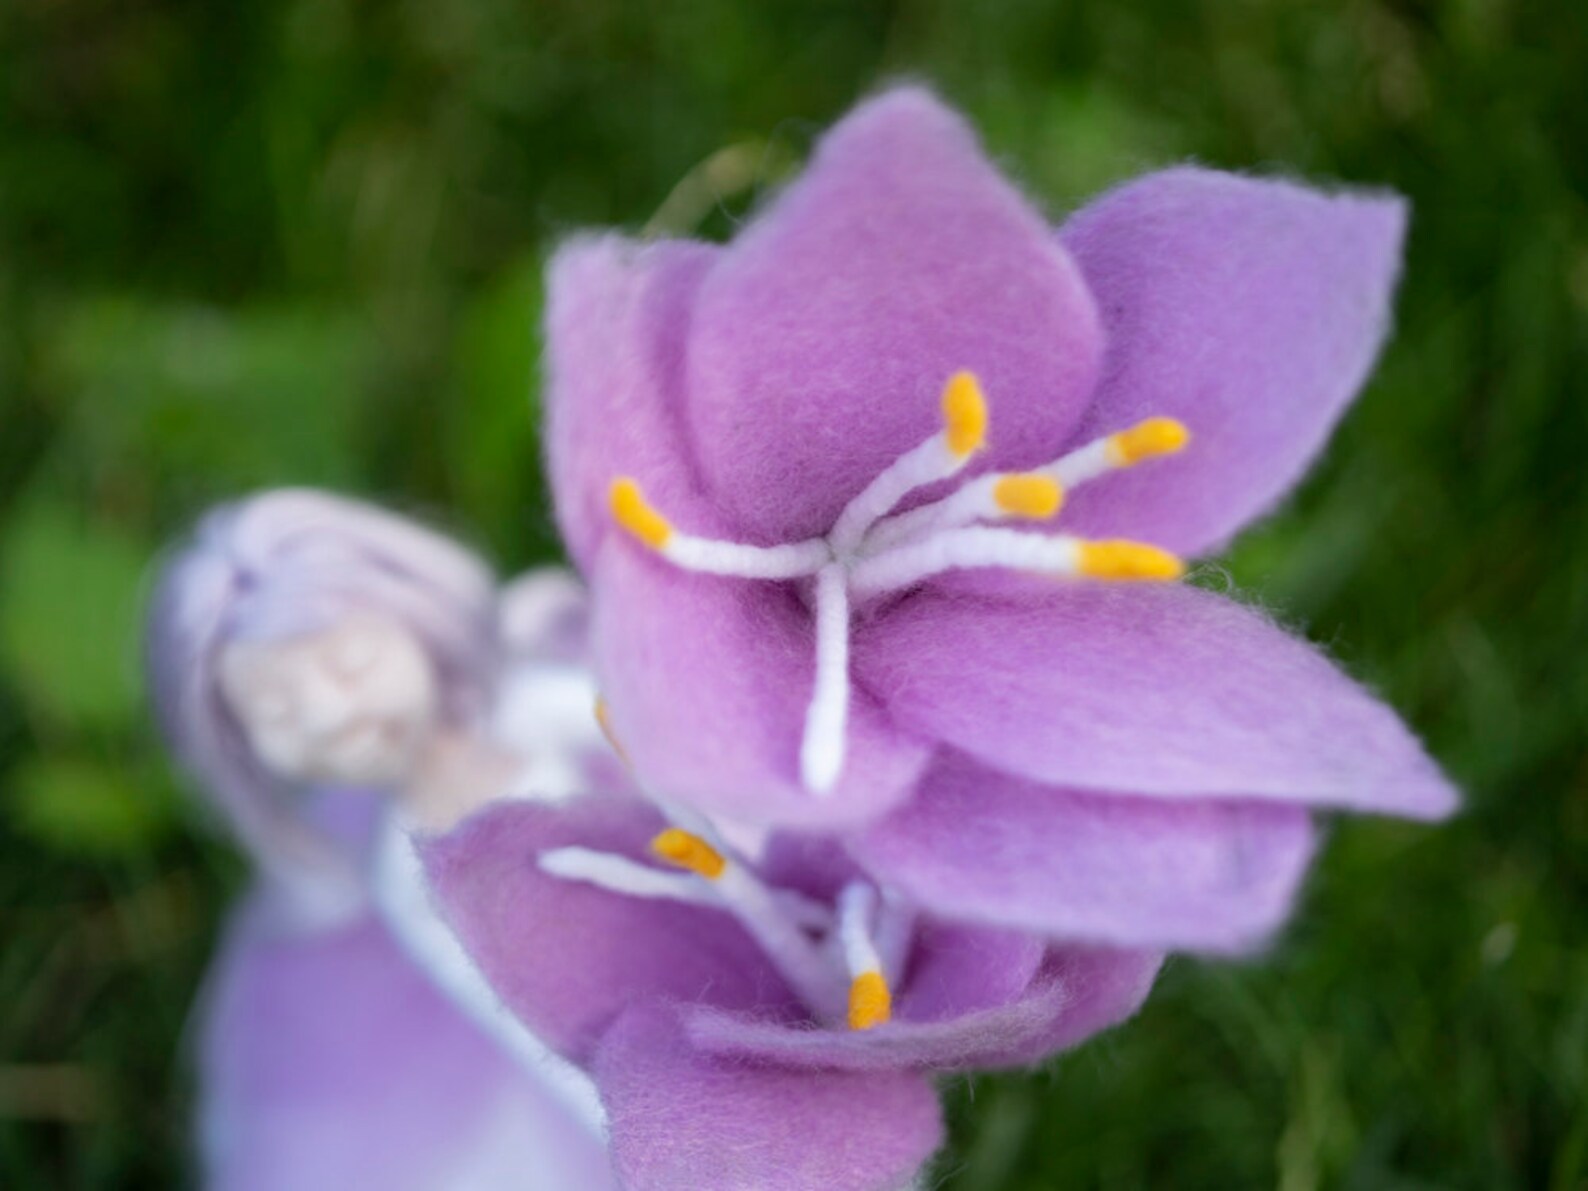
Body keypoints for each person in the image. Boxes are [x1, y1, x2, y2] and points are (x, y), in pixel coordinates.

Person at [147, 488, 614, 1190]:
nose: (332, 715)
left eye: (354, 663)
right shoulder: (411, 873)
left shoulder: (525, 710)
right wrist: (625, 1117)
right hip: (584, 997)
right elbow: (515, 1017)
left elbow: (666, 745)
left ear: (415, 615)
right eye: (278, 713)